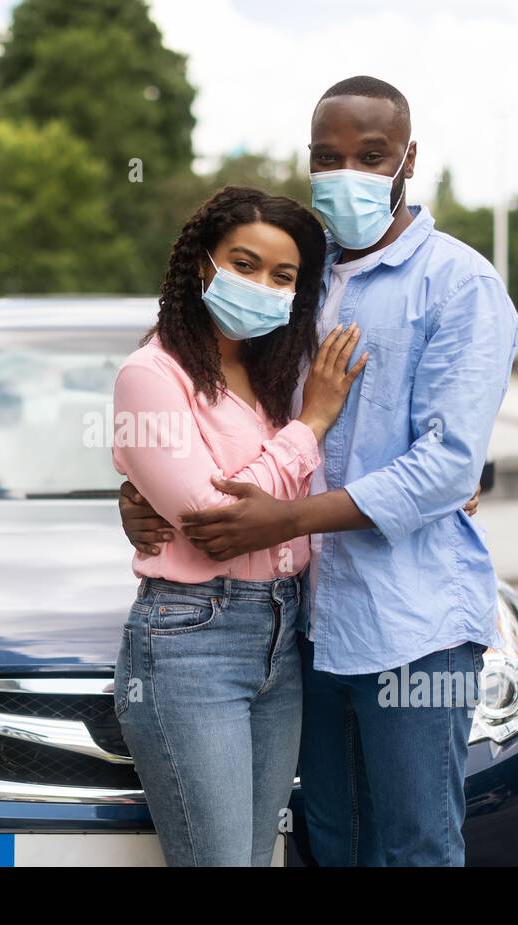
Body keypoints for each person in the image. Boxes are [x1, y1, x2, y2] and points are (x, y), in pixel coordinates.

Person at [118, 76, 518, 866]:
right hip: (304, 627)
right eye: (328, 157)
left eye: (371, 156)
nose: (348, 173)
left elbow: (445, 465)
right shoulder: (296, 276)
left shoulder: (459, 283)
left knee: (412, 847)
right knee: (327, 844)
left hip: (412, 628)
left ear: (408, 159)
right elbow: (208, 408)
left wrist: (287, 519)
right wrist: (140, 487)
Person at [111, 185, 365, 866]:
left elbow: (331, 482)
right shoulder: (152, 374)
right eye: (244, 265)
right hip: (193, 640)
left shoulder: (275, 375)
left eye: (283, 276)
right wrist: (311, 425)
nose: (262, 286)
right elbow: (216, 522)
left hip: (281, 638)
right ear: (203, 266)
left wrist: (445, 489)